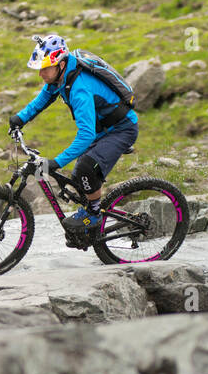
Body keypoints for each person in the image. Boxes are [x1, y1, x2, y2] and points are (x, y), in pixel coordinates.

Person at [8, 34, 139, 236]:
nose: (40, 73)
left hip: (122, 129)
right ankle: (90, 221)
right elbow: (44, 97)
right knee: (78, 175)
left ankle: (94, 215)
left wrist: (57, 162)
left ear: (60, 64)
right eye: (39, 68)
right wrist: (20, 118)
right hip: (101, 129)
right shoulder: (62, 75)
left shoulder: (79, 88)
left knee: (85, 168)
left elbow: (85, 135)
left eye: (44, 68)